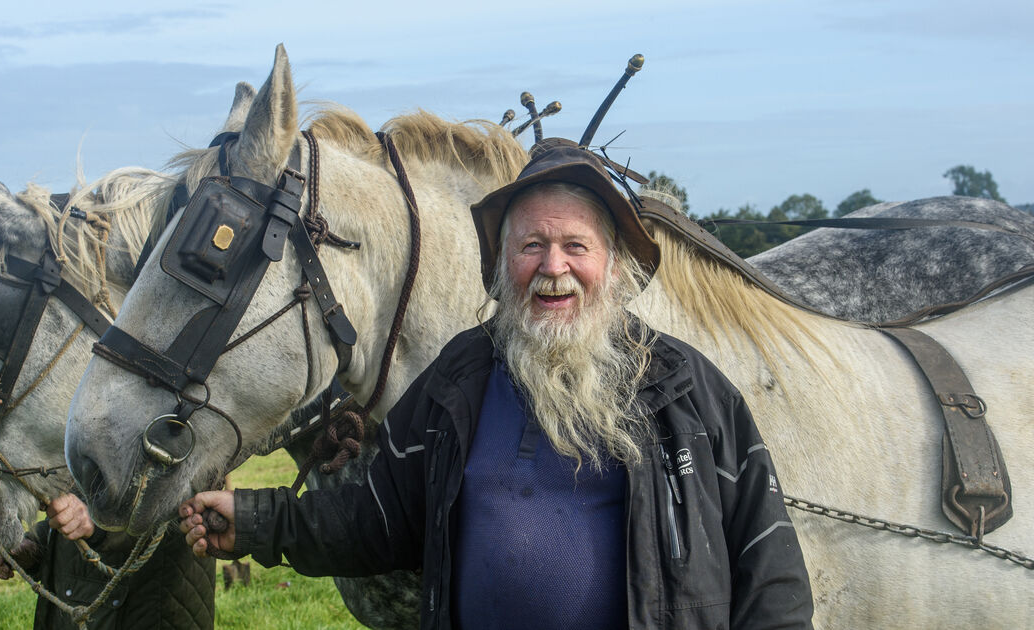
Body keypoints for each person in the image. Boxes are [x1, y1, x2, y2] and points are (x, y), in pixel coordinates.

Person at [178, 139, 814, 629]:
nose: (553, 267)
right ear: (503, 262)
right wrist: (260, 521)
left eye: (575, 246)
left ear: (612, 265)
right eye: (531, 244)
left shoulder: (689, 392)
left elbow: (770, 570)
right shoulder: (462, 377)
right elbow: (375, 518)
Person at [0, 493, 216, 629]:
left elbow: (179, 511)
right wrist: (32, 546)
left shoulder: (177, 421)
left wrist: (99, 528)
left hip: (150, 611)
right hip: (80, 613)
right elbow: (76, 510)